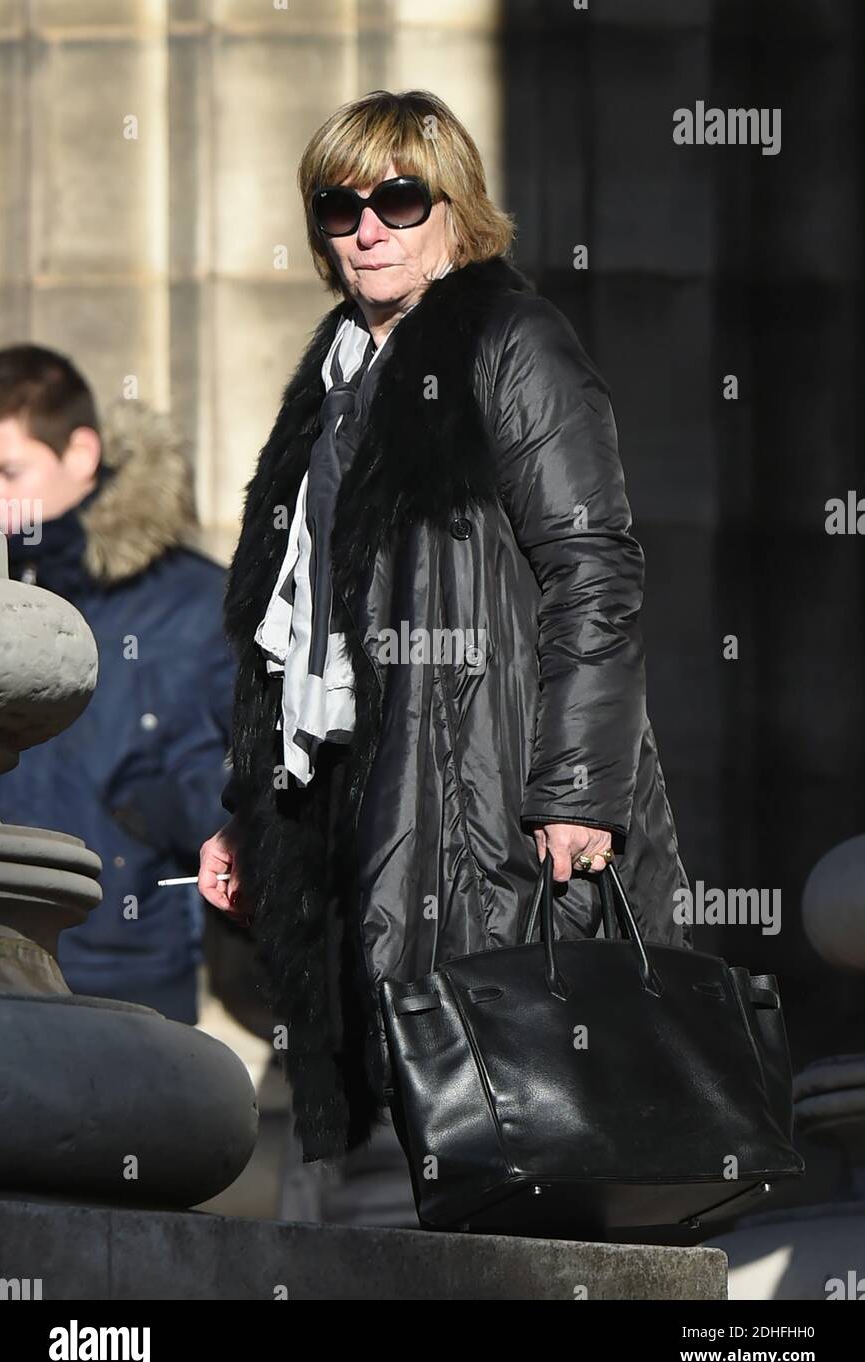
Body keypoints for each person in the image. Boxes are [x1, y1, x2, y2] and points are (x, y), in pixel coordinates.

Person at [199, 89, 691, 1173]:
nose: (365, 226)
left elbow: (592, 568)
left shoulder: (510, 341)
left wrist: (576, 789)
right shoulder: (333, 380)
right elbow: (298, 632)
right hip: (357, 798)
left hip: (489, 791)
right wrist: (249, 813)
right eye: (339, 205)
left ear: (454, 211)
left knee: (515, 1105)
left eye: (397, 198)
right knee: (426, 1118)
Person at [0, 345, 235, 1023]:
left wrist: (168, 814)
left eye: (8, 470)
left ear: (80, 453)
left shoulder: (193, 601)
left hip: (131, 966)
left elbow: (261, 782)